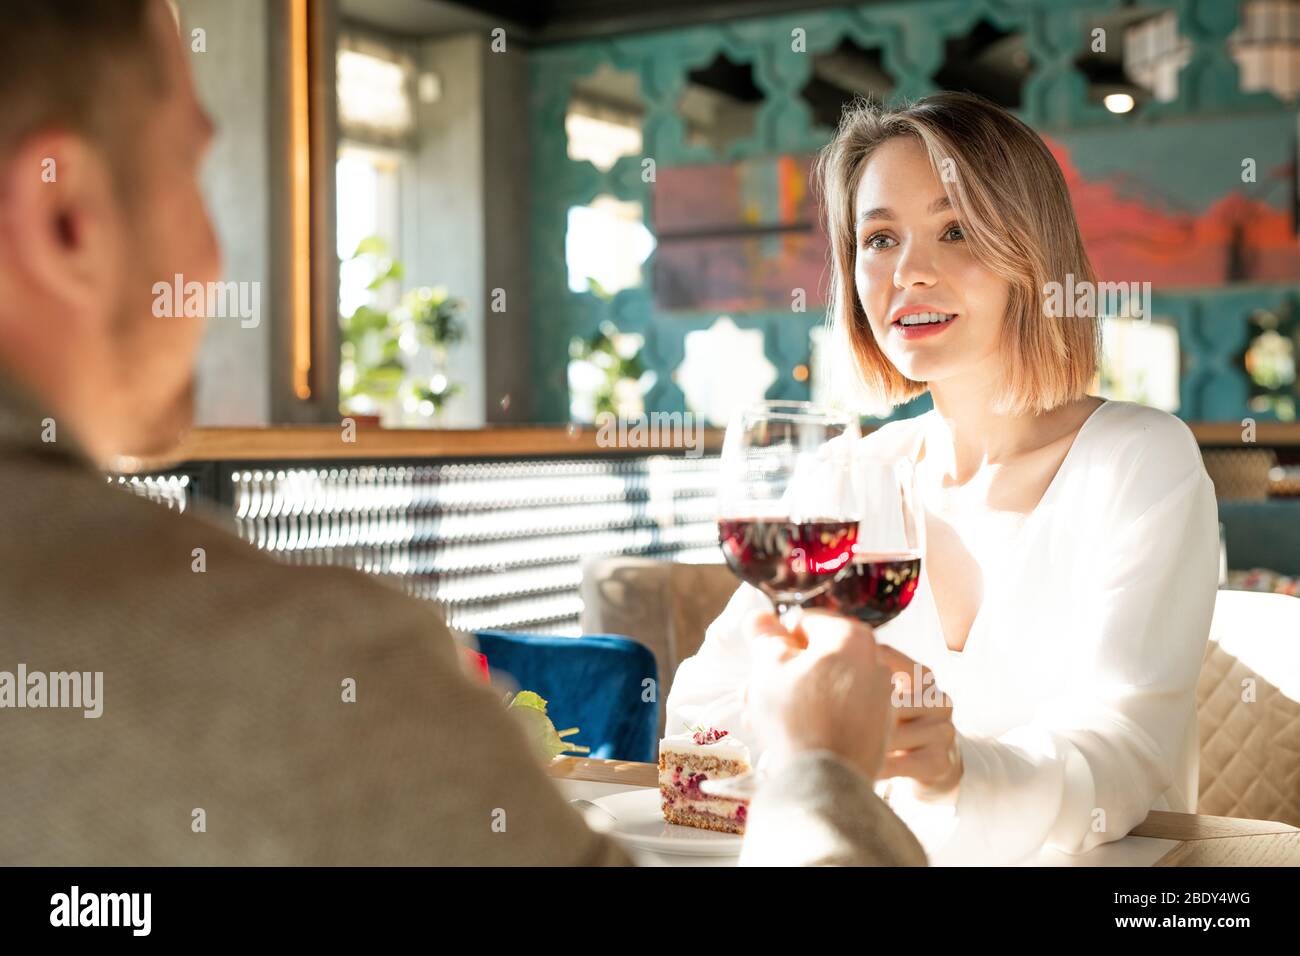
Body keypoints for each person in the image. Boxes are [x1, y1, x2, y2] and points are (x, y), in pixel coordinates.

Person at [0, 0, 924, 867]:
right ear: (65, 222)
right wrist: (824, 774)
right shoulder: (300, 669)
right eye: (194, 171)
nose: (215, 254)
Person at [667, 92, 1220, 866]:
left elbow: (1126, 753)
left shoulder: (1139, 460)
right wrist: (814, 728)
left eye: (954, 230)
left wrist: (954, 770)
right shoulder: (846, 477)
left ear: (1031, 252)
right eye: (880, 237)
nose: (910, 272)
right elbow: (699, 727)